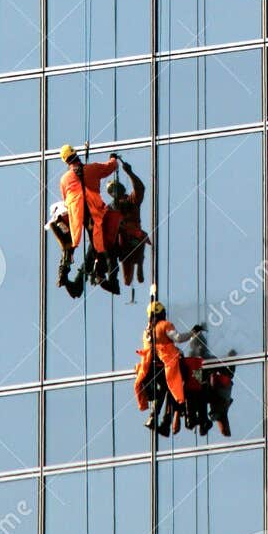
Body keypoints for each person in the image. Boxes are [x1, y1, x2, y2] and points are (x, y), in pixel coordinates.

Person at [59, 145, 121, 294]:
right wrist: (113, 157)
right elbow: (110, 167)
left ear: (66, 162)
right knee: (105, 245)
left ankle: (70, 275)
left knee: (86, 246)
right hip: (95, 213)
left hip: (77, 216)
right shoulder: (92, 169)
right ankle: (105, 276)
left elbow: (65, 198)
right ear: (76, 155)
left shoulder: (65, 179)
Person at [134, 302, 185, 436]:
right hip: (164, 366)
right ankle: (164, 420)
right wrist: (193, 332)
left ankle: (158, 419)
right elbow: (178, 338)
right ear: (161, 314)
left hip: (149, 368)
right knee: (171, 388)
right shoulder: (164, 325)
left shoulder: (147, 331)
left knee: (164, 390)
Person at [105, 160, 150, 288]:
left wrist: (130, 173)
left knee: (138, 244)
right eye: (111, 192)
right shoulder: (110, 208)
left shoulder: (130, 201)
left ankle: (140, 262)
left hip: (134, 238)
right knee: (126, 280)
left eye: (116, 190)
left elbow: (140, 188)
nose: (114, 194)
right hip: (122, 244)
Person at [44, 199, 84, 299]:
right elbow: (66, 245)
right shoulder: (61, 222)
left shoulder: (61, 221)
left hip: (69, 225)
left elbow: (66, 245)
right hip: (69, 226)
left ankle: (64, 273)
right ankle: (64, 273)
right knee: (68, 248)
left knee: (68, 248)